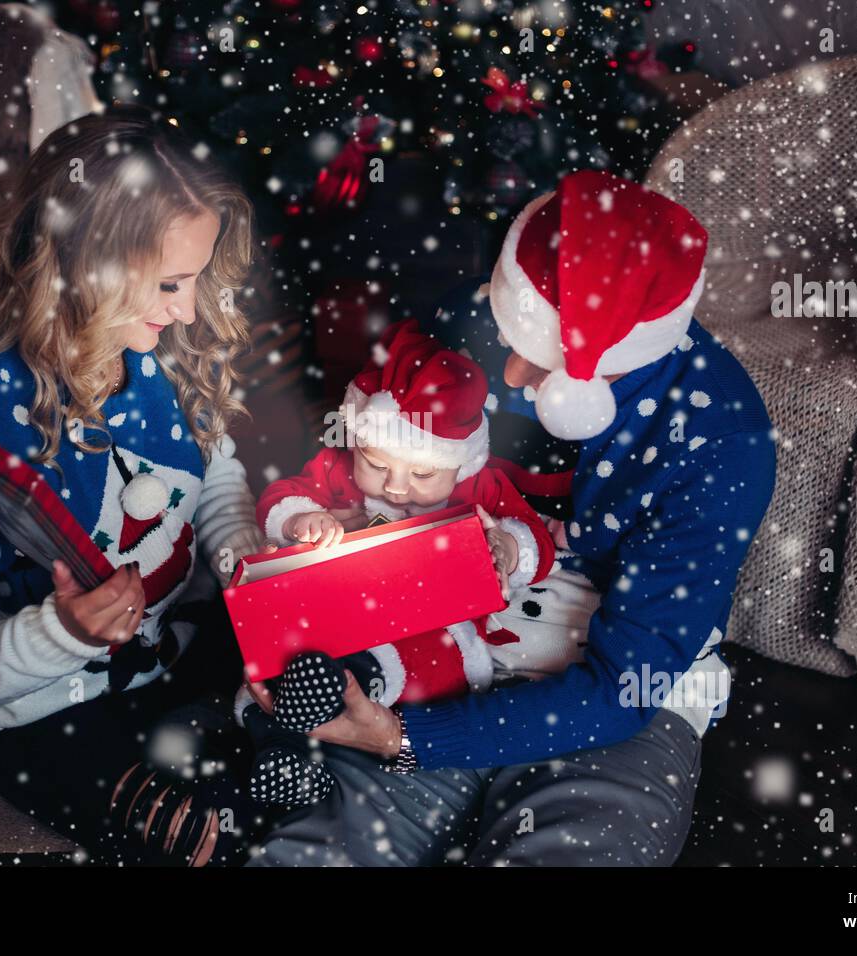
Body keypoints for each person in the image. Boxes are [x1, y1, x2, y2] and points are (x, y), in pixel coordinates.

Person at [245, 169, 778, 866]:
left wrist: (402, 740)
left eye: (542, 359)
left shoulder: (721, 439)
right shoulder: (470, 320)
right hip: (434, 648)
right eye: (509, 333)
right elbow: (368, 461)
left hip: (612, 705)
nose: (513, 377)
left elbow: (622, 690)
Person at [0, 109, 264, 865]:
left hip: (171, 646)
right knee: (192, 836)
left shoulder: (160, 342)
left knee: (314, 730)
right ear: (83, 262)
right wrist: (64, 634)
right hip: (42, 703)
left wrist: (244, 558)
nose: (187, 309)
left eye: (194, 279)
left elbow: (216, 477)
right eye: (169, 284)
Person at [235, 319, 555, 807]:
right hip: (342, 623)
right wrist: (304, 519)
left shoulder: (480, 488)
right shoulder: (337, 471)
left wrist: (508, 549)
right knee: (298, 666)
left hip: (434, 639)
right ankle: (282, 747)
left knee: (386, 675)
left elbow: (533, 536)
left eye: (424, 473)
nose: (397, 487)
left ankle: (325, 731)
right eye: (378, 465)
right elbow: (282, 497)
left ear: (461, 462)